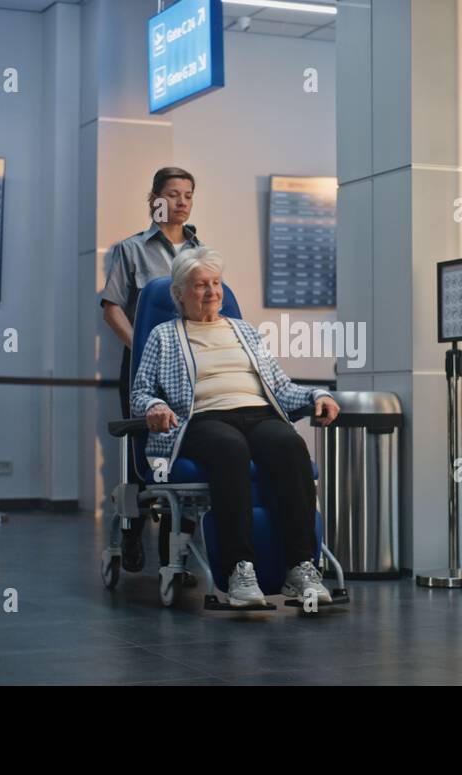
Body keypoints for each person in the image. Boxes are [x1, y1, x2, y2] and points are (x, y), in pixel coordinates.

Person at [130, 248, 341, 607]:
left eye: (216, 283)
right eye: (200, 285)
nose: (212, 291)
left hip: (259, 415)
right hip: (203, 419)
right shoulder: (164, 336)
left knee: (290, 445)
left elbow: (281, 387)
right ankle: (239, 570)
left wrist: (319, 394)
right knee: (230, 450)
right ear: (179, 294)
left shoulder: (244, 331)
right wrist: (156, 406)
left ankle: (301, 567)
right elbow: (140, 392)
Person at [99, 167, 203, 573]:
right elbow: (112, 308)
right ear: (154, 199)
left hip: (189, 364)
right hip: (142, 363)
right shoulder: (131, 249)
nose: (181, 202)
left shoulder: (200, 253)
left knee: (189, 444)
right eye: (173, 194)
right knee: (141, 449)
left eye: (188, 195)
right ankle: (131, 527)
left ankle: (174, 549)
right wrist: (143, 348)